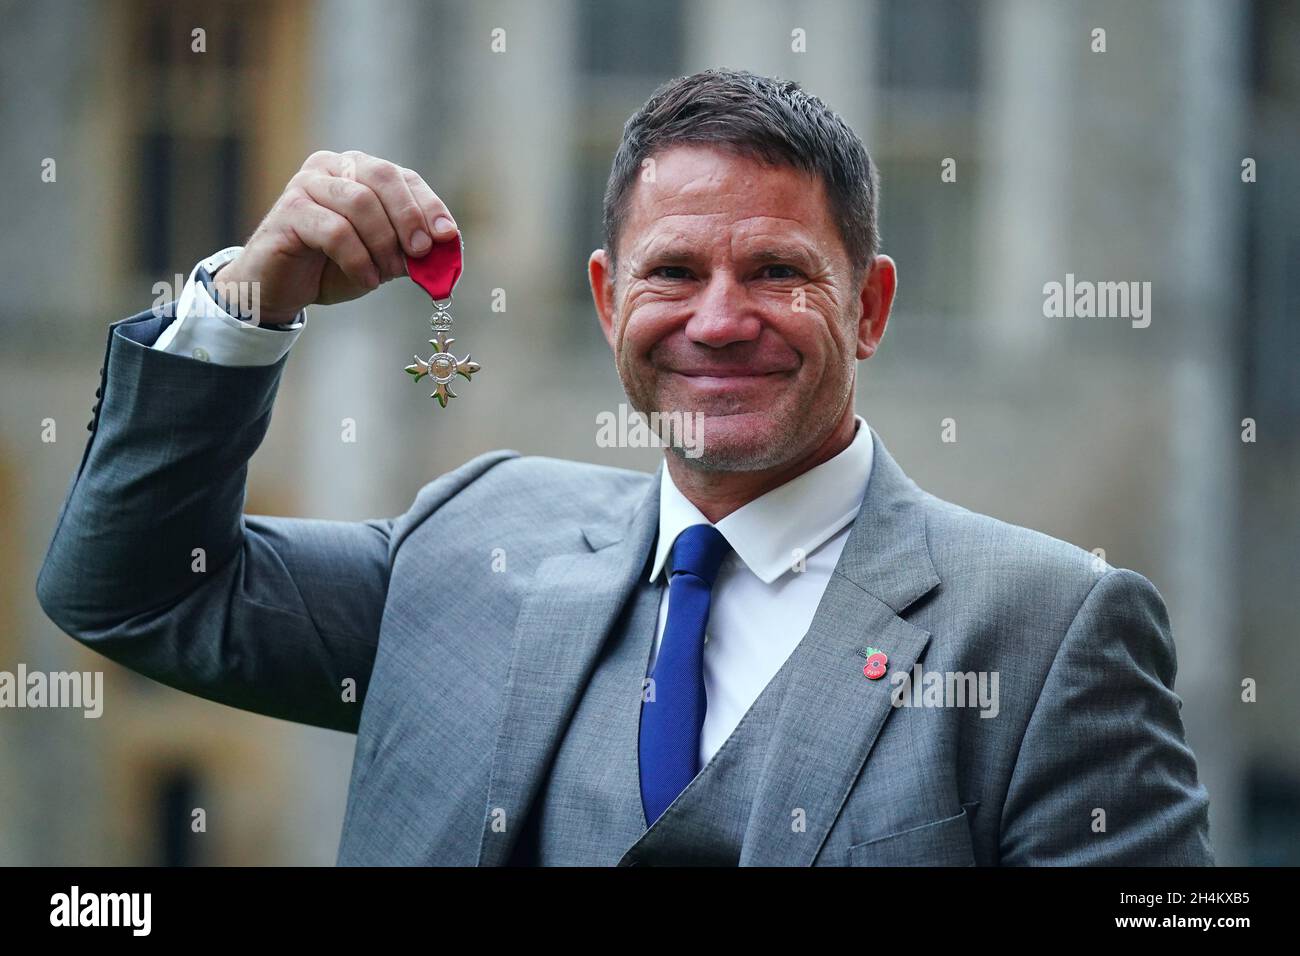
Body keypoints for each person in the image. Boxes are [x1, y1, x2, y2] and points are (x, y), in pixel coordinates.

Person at [36, 68, 1213, 866]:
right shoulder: (472, 540)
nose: (717, 317)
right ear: (608, 302)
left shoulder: (1051, 627)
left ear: (870, 308)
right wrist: (249, 301)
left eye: (776, 272)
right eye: (671, 272)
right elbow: (135, 588)